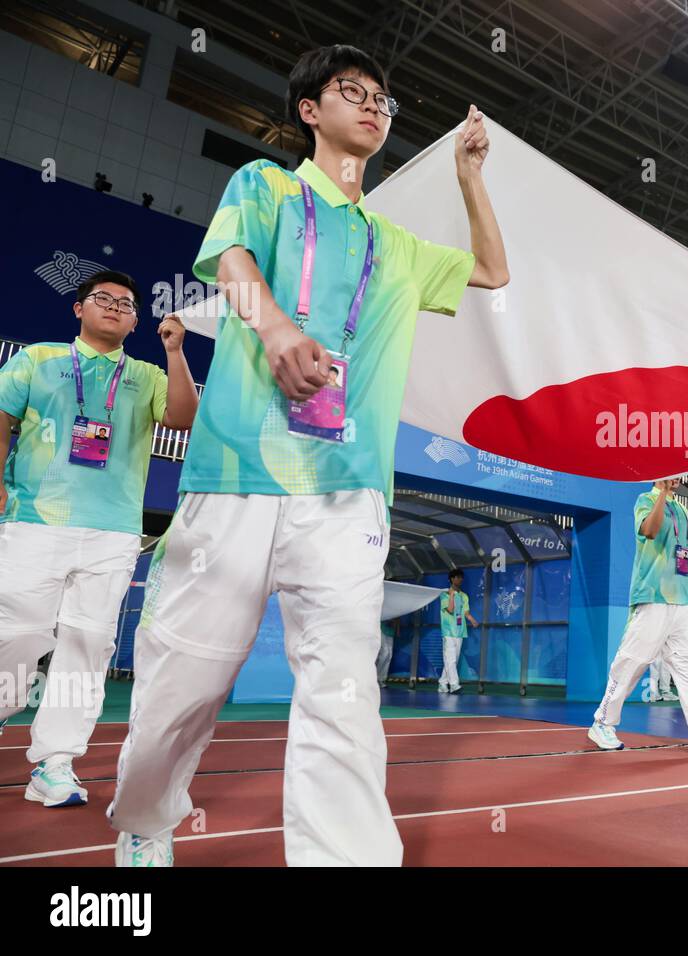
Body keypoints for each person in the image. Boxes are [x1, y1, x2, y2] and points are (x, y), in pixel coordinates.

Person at [107, 44, 509, 867]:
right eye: (350, 92)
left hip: (349, 493)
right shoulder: (266, 187)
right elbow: (230, 262)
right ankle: (146, 821)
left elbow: (495, 272)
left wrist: (470, 176)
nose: (372, 107)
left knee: (342, 690)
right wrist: (278, 328)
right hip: (236, 479)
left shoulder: (395, 246)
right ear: (308, 110)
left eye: (383, 101)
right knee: (181, 684)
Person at [0, 276, 198, 809]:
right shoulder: (37, 359)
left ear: (136, 321)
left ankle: (55, 762)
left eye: (126, 305)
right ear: (78, 308)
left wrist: (175, 351)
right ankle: (4, 703)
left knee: (88, 646)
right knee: (17, 633)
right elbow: (1, 418)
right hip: (34, 520)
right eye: (104, 300)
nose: (115, 308)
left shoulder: (147, 374)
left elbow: (182, 417)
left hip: (112, 532)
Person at [589, 478, 688, 757]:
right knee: (632, 662)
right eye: (672, 472)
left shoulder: (682, 508)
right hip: (652, 596)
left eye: (681, 472)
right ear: (660, 474)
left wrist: (670, 497)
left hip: (683, 600)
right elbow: (651, 531)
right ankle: (602, 723)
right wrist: (663, 494)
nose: (678, 476)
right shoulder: (645, 499)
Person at [439, 569, 478, 694]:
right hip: (448, 631)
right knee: (451, 659)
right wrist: (451, 595)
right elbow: (450, 610)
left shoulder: (464, 596)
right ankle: (454, 684)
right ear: (451, 579)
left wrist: (471, 619)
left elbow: (465, 612)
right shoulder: (444, 594)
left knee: (452, 659)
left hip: (460, 631)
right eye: (457, 577)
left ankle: (442, 683)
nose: (459, 579)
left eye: (461, 577)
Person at [375, 618, 395, 684]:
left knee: (389, 655)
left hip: (390, 629)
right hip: (380, 627)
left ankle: (382, 679)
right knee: (385, 652)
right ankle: (375, 676)